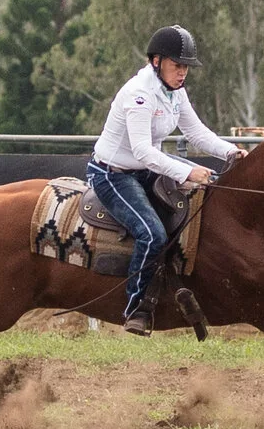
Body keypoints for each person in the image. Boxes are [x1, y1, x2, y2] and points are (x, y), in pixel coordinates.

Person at [87, 25, 238, 335]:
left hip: (145, 171)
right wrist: (187, 171)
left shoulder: (175, 92)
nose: (182, 72)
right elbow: (143, 151)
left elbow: (196, 133)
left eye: (186, 67)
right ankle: (135, 308)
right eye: (177, 65)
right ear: (156, 62)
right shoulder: (139, 94)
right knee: (152, 234)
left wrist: (232, 152)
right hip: (112, 175)